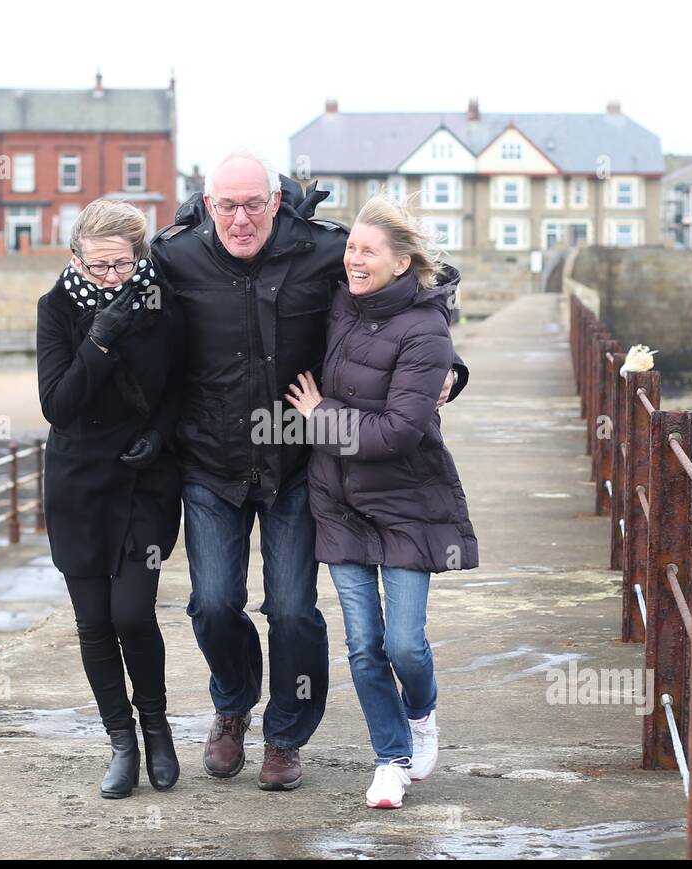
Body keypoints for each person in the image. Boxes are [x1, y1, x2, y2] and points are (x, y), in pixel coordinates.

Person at [149, 151, 469, 791]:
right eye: (227, 205)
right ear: (207, 205)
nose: (241, 218)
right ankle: (233, 705)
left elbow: (405, 291)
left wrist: (448, 371)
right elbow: (127, 311)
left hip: (297, 464)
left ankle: (286, 737)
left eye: (253, 203)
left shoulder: (322, 250)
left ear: (276, 202)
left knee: (293, 610)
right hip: (210, 462)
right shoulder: (175, 257)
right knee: (212, 605)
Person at [285, 193, 479, 809]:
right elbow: (287, 230)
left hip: (405, 504)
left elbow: (399, 432)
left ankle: (421, 713)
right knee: (363, 645)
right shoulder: (341, 301)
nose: (353, 260)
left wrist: (320, 416)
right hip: (337, 501)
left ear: (403, 263)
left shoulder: (427, 331)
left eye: (368, 251)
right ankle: (390, 760)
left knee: (403, 645)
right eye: (351, 249)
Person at [35, 199, 184, 799]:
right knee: (94, 623)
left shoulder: (163, 302)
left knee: (132, 614)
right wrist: (98, 339)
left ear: (139, 258)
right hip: (79, 483)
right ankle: (121, 741)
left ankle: (157, 726)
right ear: (76, 257)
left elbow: (182, 383)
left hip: (144, 479)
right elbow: (59, 405)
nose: (110, 279)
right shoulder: (56, 308)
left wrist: (160, 435)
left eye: (121, 266)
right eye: (98, 266)